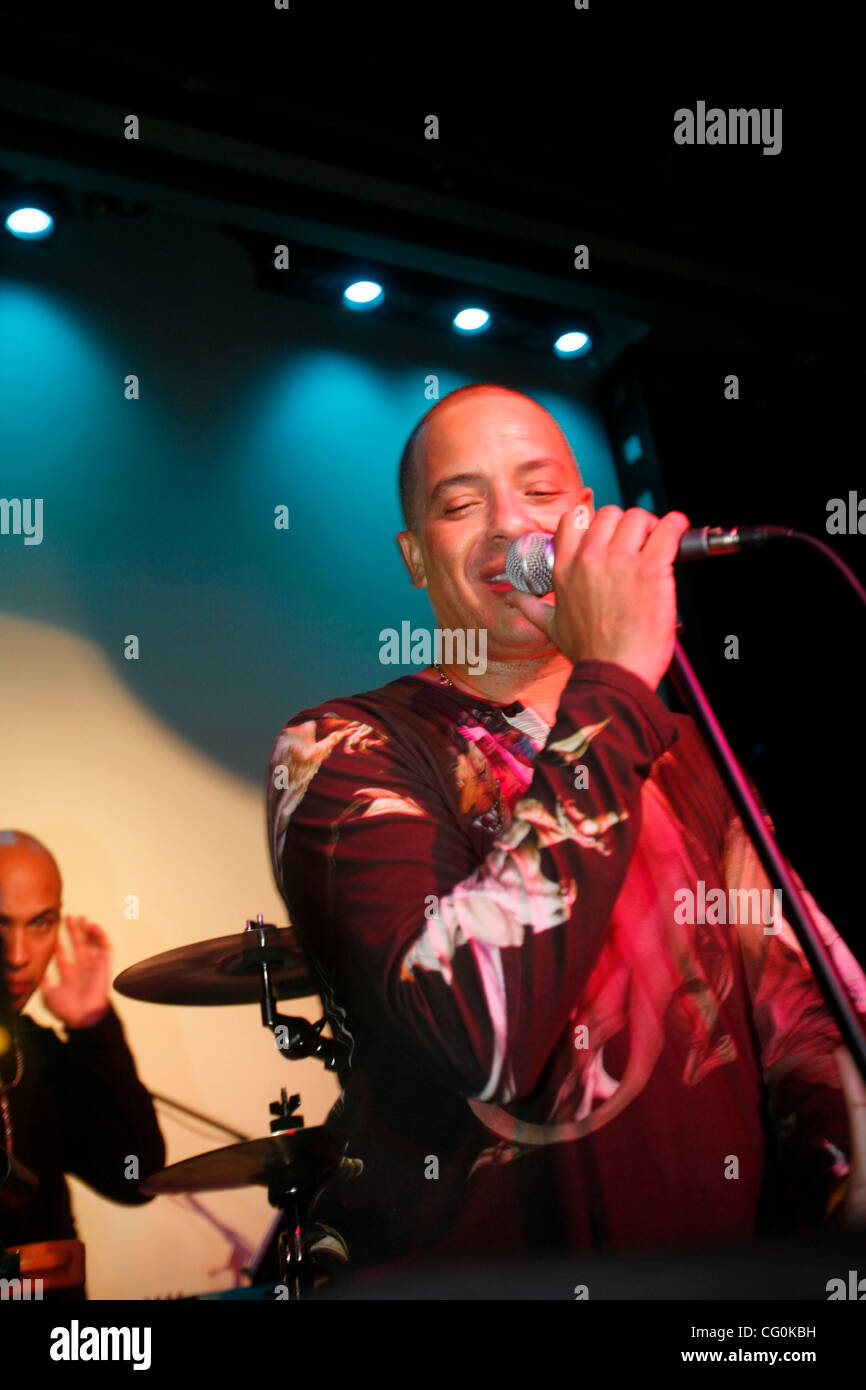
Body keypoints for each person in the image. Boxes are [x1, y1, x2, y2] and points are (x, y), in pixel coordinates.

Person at [266, 383, 866, 1288]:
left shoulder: (686, 751)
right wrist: (618, 681)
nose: (510, 527)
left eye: (541, 494)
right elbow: (484, 1033)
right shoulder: (344, 750)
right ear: (416, 559)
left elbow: (803, 1016)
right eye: (461, 504)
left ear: (588, 520)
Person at [0, 829, 165, 1292]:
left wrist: (94, 1027)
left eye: (39, 923)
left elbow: (136, 1176)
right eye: (0, 923)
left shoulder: (36, 1054)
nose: (16, 957)